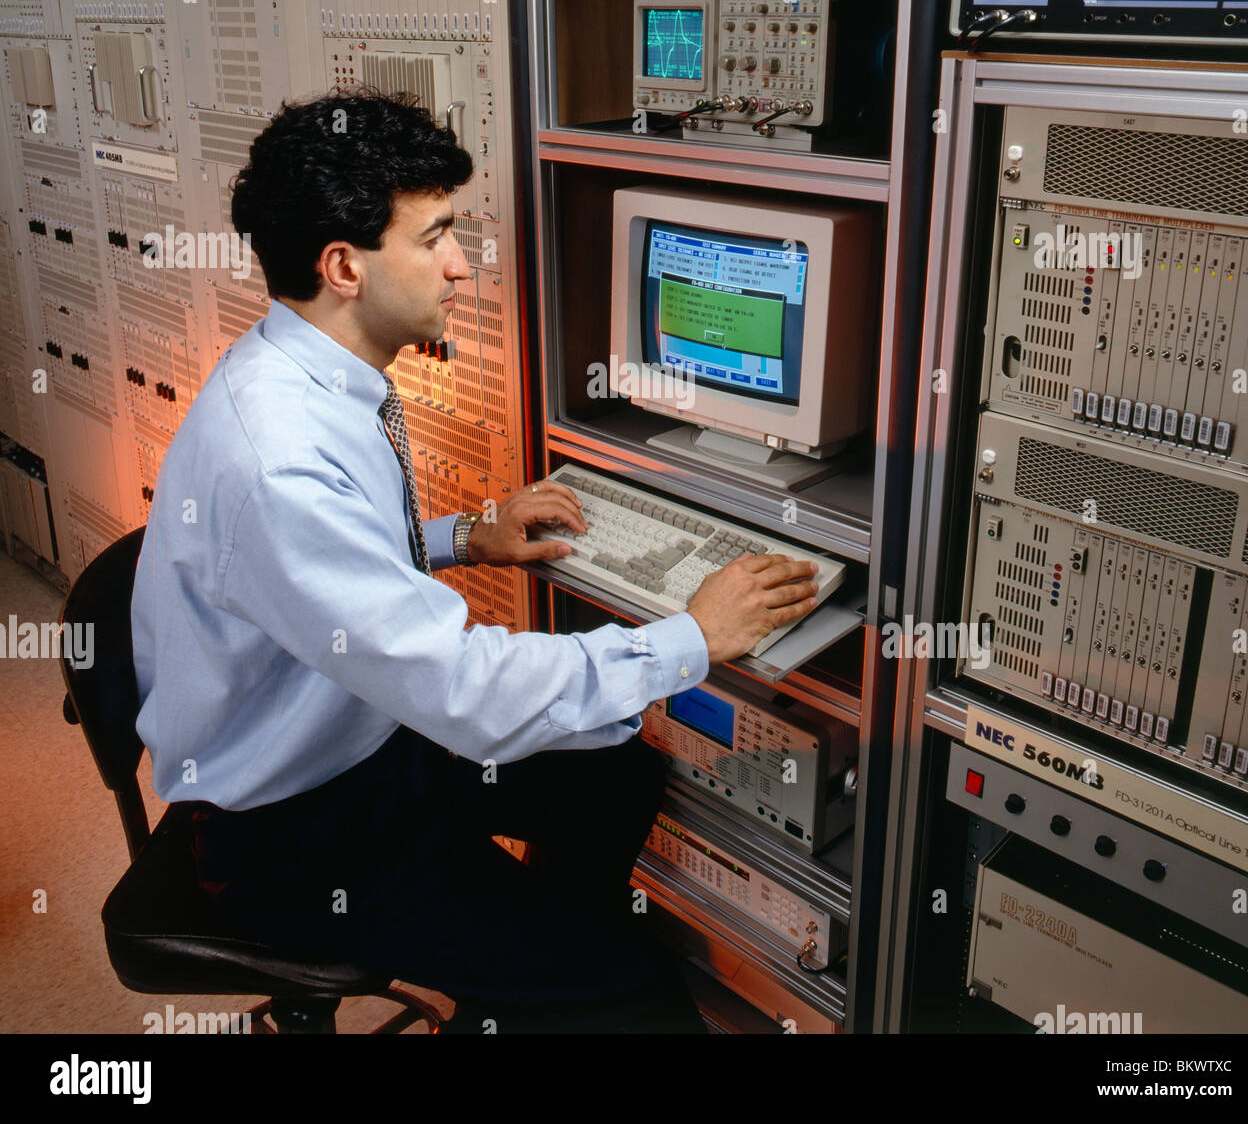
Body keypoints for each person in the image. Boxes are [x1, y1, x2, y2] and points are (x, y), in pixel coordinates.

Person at [130, 86, 820, 1033]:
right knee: (629, 985)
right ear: (345, 267)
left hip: (358, 744)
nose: (460, 267)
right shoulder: (278, 457)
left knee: (614, 770)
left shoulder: (312, 372)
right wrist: (690, 637)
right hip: (299, 835)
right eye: (435, 238)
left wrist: (465, 536)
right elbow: (468, 693)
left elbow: (339, 576)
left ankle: (519, 978)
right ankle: (557, 977)